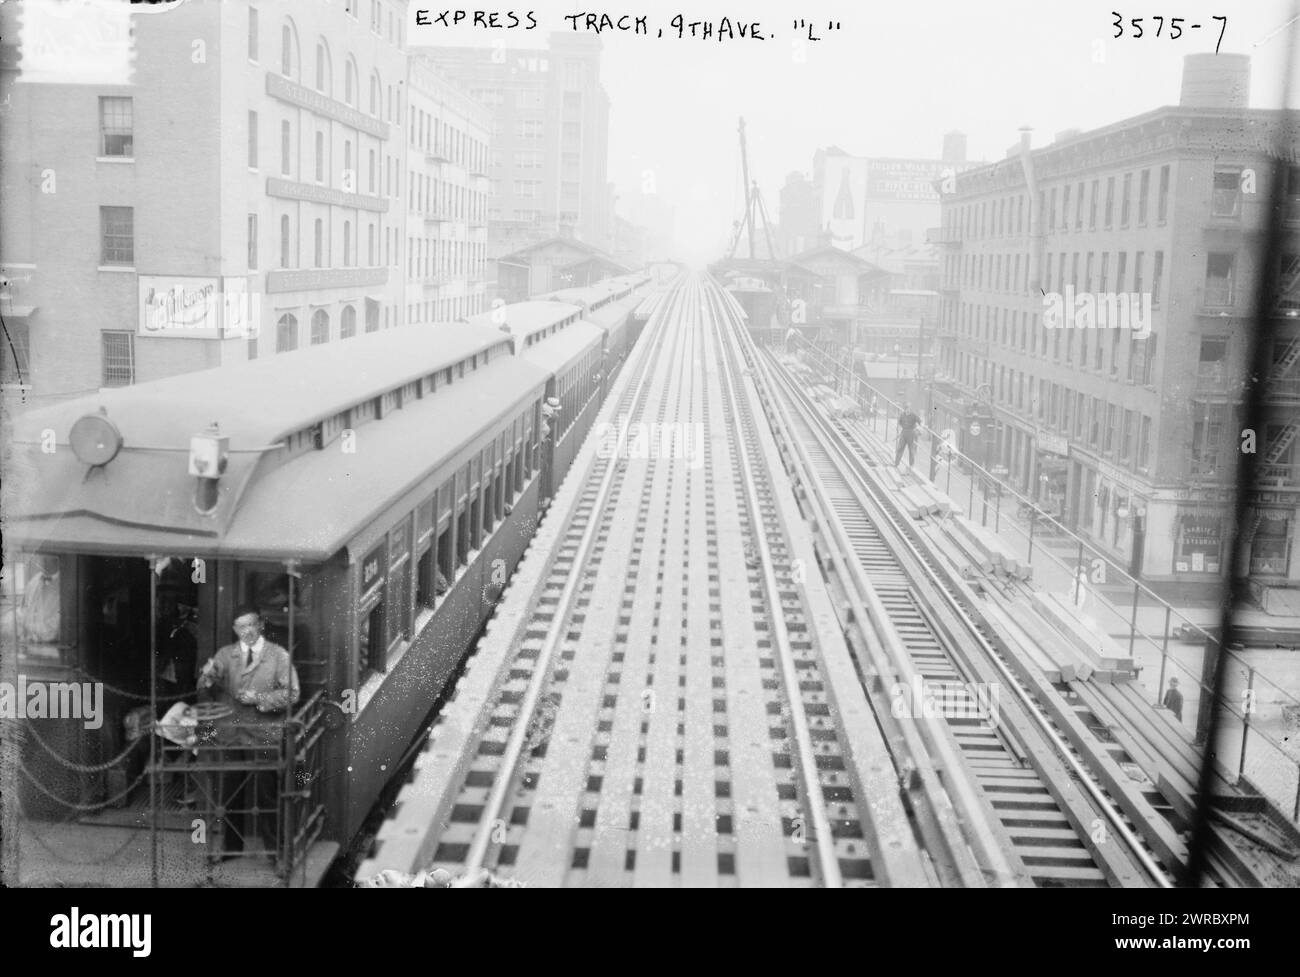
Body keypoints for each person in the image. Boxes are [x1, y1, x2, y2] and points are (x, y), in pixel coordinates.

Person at [197, 606, 301, 862]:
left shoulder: (278, 656)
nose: (247, 631)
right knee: (230, 794)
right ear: (235, 630)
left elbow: (292, 694)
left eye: (251, 625)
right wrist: (206, 679)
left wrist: (260, 698)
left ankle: (275, 853)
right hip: (232, 735)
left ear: (260, 625)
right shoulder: (225, 655)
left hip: (265, 735)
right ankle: (231, 849)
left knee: (268, 797)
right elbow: (204, 688)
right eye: (241, 627)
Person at [895, 403, 922, 469]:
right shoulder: (902, 415)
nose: (908, 411)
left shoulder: (914, 415)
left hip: (911, 433)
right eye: (907, 409)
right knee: (900, 448)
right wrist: (899, 428)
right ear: (905, 409)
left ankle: (911, 465)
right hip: (904, 433)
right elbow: (899, 422)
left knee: (911, 450)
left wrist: (918, 429)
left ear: (911, 409)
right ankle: (896, 463)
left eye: (909, 409)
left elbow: (920, 422)